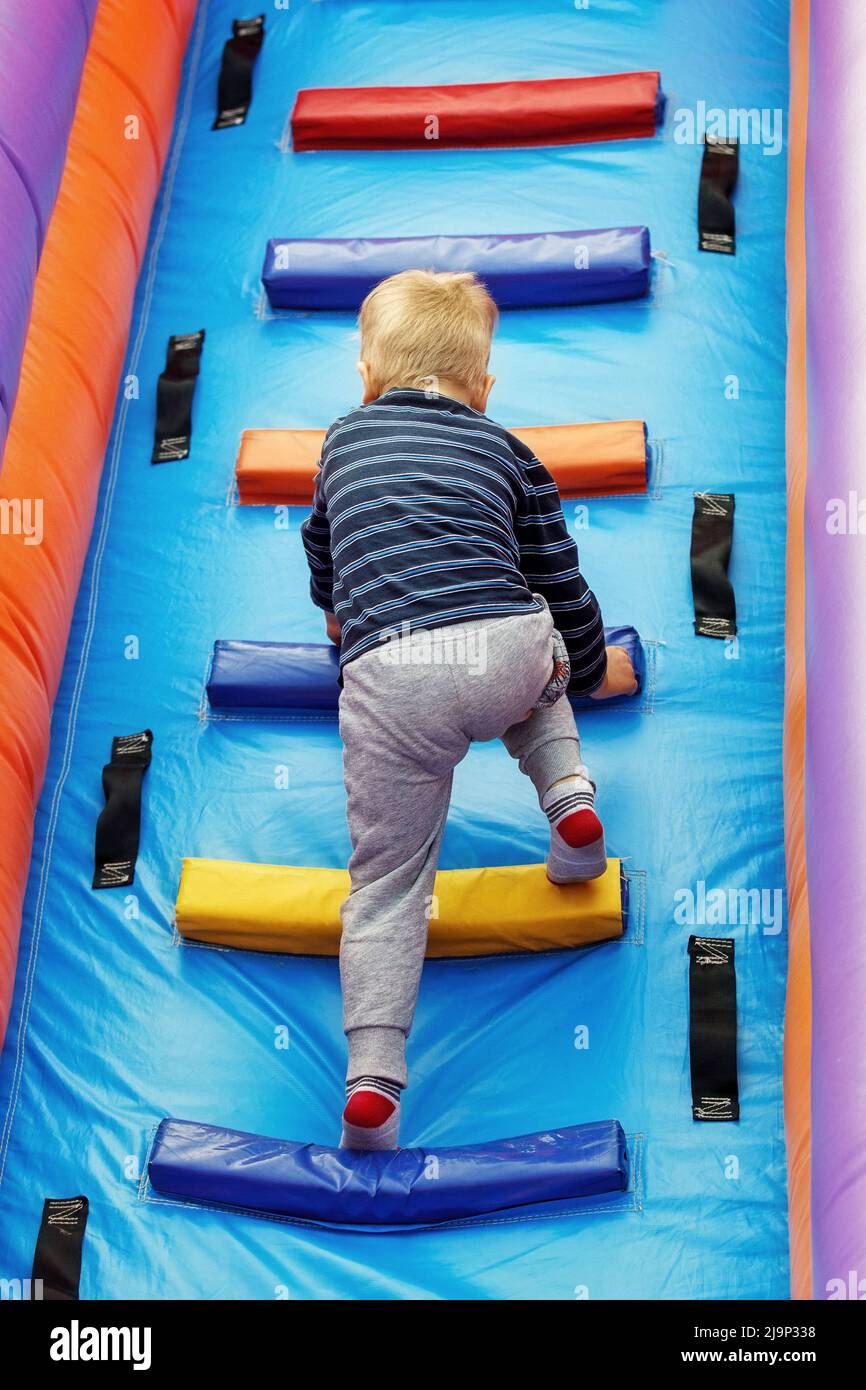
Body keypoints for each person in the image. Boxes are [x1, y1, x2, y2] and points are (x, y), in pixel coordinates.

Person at [301, 269, 637, 1150]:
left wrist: (341, 615)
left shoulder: (342, 442)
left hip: (391, 677)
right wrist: (592, 669)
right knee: (545, 659)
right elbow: (561, 581)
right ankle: (568, 795)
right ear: (482, 387)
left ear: (367, 377)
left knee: (387, 885)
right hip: (499, 651)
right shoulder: (505, 449)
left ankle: (374, 1078)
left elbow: (325, 558)